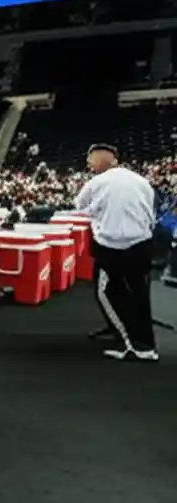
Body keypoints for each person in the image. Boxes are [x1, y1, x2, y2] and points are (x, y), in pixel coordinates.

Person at [75, 144, 158, 362]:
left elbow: (80, 207)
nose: (89, 164)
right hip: (142, 243)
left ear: (102, 160)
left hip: (112, 247)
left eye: (91, 160)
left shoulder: (96, 183)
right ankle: (144, 344)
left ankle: (132, 344)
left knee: (108, 292)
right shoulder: (141, 181)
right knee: (139, 294)